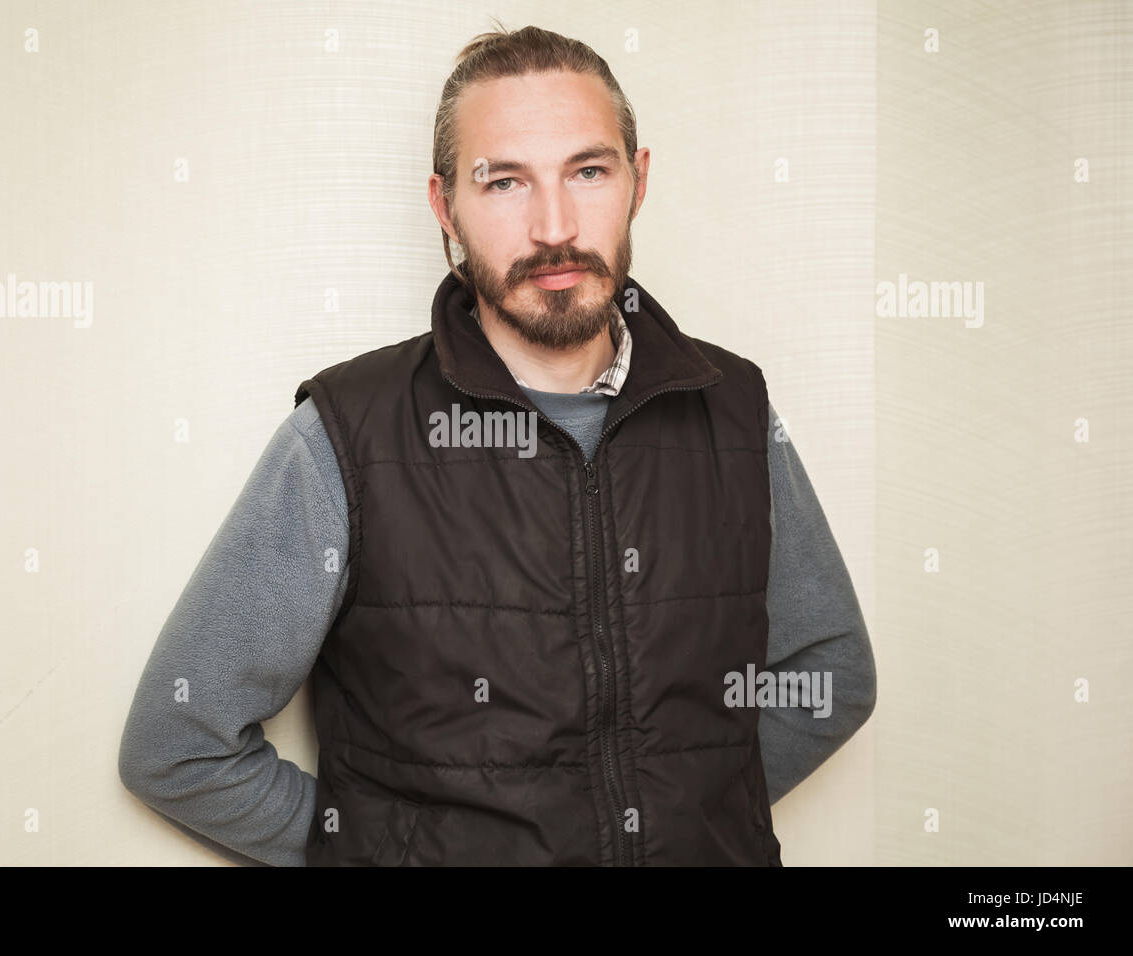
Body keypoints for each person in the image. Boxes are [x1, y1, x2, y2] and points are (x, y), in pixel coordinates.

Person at [118, 23, 876, 866]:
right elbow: (178, 745)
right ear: (445, 206)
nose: (555, 226)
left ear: (639, 181)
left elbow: (831, 672)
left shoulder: (733, 412)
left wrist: (683, 829)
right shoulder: (345, 435)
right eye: (505, 181)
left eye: (588, 171)